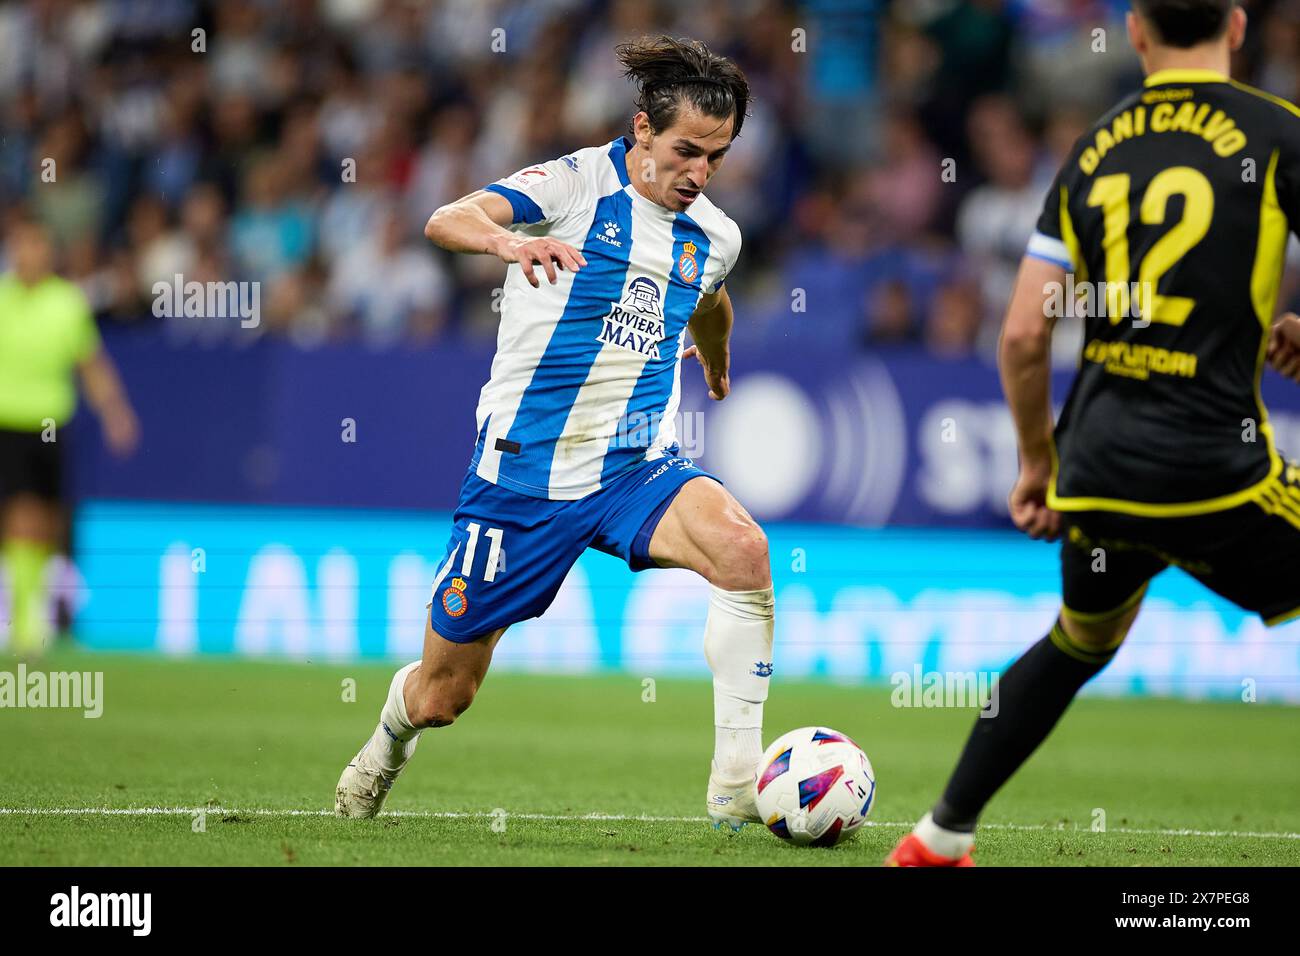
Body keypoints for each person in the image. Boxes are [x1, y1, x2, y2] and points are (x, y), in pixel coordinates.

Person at [888, 0, 1300, 866]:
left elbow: (1024, 333)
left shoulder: (1095, 147)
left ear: (1138, 32)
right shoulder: (1275, 133)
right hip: (1213, 466)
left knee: (1080, 639)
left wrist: (1040, 464)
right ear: (1235, 26)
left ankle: (939, 835)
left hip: (1101, 467)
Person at [336, 35, 775, 829]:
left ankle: (736, 786)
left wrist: (716, 357)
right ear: (642, 129)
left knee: (744, 550)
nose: (700, 172)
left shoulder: (715, 235)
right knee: (445, 696)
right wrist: (510, 242)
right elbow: (447, 217)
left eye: (717, 156)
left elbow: (709, 297)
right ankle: (385, 746)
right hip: (523, 477)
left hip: (634, 469)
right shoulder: (575, 183)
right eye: (686, 151)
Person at [0, 219, 139, 657]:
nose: (30, 254)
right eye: (23, 245)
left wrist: (115, 413)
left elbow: (91, 364)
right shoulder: (2, 299)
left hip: (53, 425)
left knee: (49, 520)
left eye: (38, 245)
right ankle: (25, 623)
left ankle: (35, 608)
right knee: (21, 515)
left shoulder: (66, 303)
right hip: (9, 424)